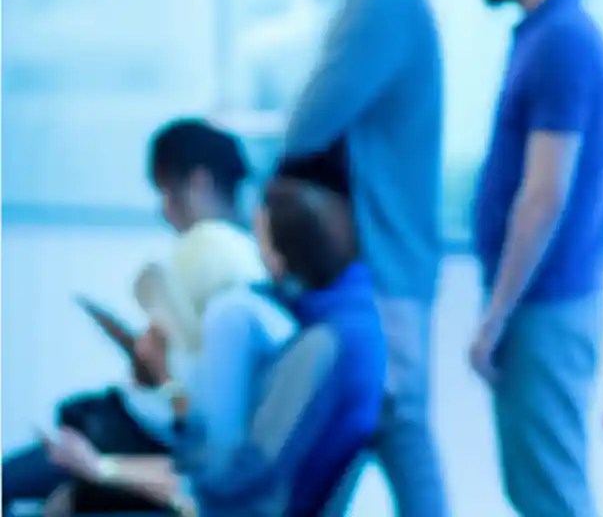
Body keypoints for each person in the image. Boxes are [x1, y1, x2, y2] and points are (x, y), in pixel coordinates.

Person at [46, 177, 388, 517]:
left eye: (262, 242)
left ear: (283, 257)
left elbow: (227, 482)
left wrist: (104, 468)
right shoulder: (348, 330)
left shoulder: (314, 345)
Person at [2, 119, 276, 516]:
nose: (163, 211)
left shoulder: (210, 247)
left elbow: (188, 407)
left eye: (166, 192)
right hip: (159, 441)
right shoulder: (249, 266)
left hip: (145, 437)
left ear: (198, 183)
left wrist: (153, 367)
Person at [289, 0, 447, 517]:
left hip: (387, 262)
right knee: (368, 422)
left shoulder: (387, 3)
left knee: (396, 420)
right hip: (375, 262)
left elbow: (311, 120)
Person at [468, 0, 603, 517]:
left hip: (544, 308)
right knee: (535, 490)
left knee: (550, 495)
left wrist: (495, 316)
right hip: (537, 304)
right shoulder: (540, 33)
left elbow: (544, 194)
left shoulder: (561, 40)